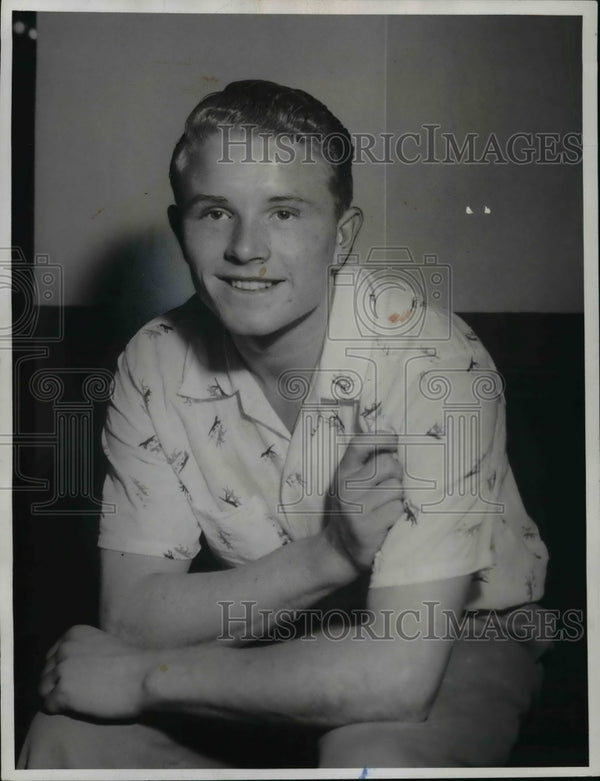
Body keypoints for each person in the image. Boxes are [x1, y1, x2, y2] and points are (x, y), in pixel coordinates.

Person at [19, 80, 549, 769]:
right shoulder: (154, 360)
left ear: (342, 236)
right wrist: (330, 555)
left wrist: (145, 678)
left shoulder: (430, 361)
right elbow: (133, 617)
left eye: (285, 212)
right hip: (264, 636)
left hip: (455, 638)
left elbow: (396, 673)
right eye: (216, 212)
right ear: (181, 228)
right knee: (65, 738)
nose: (247, 247)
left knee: (372, 758)